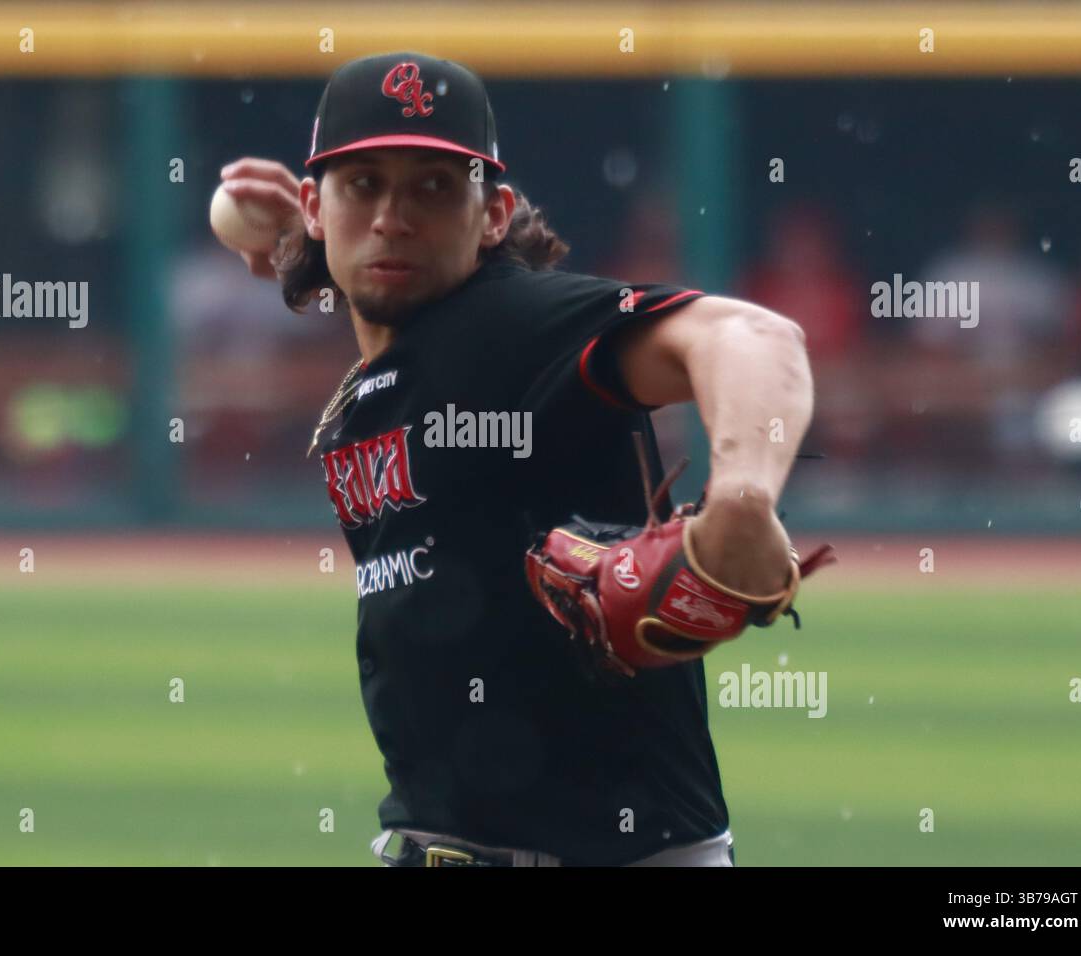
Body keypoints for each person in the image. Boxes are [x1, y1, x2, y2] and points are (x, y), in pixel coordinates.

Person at [218, 52, 814, 867]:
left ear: (493, 216)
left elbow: (751, 337)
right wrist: (269, 231)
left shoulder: (515, 324)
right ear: (317, 209)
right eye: (364, 185)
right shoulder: (403, 329)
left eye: (434, 186)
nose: (393, 216)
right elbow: (352, 266)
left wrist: (743, 497)